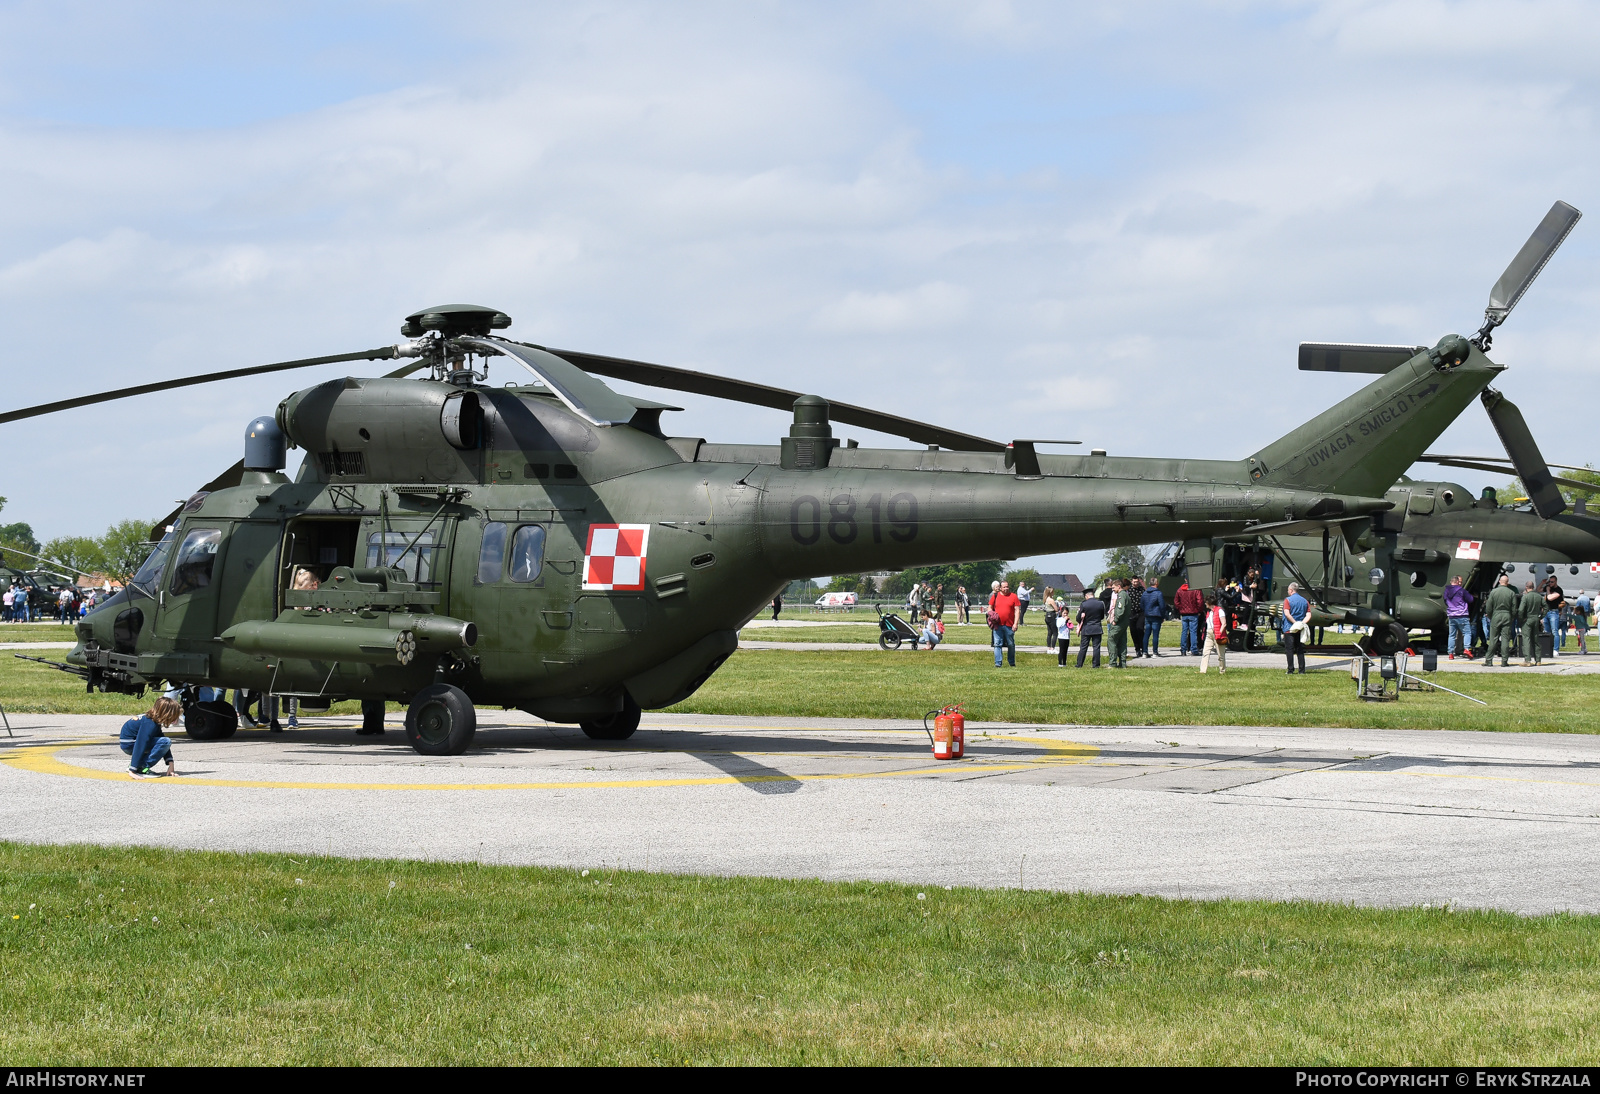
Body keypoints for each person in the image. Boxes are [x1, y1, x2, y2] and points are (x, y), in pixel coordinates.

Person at [121, 696, 181, 778]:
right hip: (130, 744)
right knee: (165, 741)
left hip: (129, 743)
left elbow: (161, 739)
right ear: (166, 714)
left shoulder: (152, 720)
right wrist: (132, 771)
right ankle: (142, 768)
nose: (175, 719)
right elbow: (140, 744)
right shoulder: (149, 724)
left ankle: (136, 764)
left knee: (164, 741)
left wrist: (170, 763)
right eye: (174, 716)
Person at [1483, 574, 1517, 666]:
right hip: (1507, 615)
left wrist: (1490, 616)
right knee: (1505, 639)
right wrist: (1512, 617)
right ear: (1507, 582)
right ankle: (1504, 661)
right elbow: (1514, 608)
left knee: (1493, 639)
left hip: (1496, 615)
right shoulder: (1511, 593)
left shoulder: (1494, 592)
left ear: (1499, 581)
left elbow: (1489, 606)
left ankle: (1489, 660)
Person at [988, 579, 1021, 667]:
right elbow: (989, 607)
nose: (1006, 588)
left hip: (1009, 625)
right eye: (1004, 587)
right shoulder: (995, 596)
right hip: (998, 625)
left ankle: (1011, 662)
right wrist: (991, 614)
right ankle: (998, 663)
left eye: (1007, 587)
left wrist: (1016, 623)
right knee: (997, 644)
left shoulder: (1013, 596)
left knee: (1010, 644)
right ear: (1000, 588)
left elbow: (1017, 610)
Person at [1444, 575, 1474, 659]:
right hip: (1462, 615)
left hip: (1451, 616)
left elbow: (1445, 600)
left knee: (1452, 635)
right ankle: (1467, 648)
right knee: (1467, 633)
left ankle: (1450, 653)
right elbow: (1471, 599)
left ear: (1451, 582)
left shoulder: (1446, 591)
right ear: (1457, 582)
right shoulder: (1462, 591)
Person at [1281, 581, 1309, 674]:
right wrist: (1301, 624)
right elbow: (1308, 615)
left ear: (1291, 590)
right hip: (1300, 629)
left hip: (1289, 628)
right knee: (1299, 649)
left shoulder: (1287, 600)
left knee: (1289, 649)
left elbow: (1287, 614)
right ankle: (1302, 670)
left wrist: (1295, 623)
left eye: (1288, 590)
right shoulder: (1305, 601)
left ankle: (1290, 669)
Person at [1075, 587, 1106, 668]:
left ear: (1086, 596)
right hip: (1097, 627)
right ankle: (1096, 665)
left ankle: (1079, 664)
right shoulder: (1100, 603)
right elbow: (1102, 616)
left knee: (1083, 647)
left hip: (1086, 628)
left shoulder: (1084, 604)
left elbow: (1078, 618)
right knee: (1096, 647)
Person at [1105, 578, 1133, 668]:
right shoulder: (1125, 595)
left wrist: (1115, 620)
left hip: (1119, 623)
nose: (1112, 589)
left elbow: (1120, 610)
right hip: (1124, 622)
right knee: (1122, 641)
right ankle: (1122, 663)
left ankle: (1112, 663)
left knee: (1111, 640)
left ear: (1119, 586)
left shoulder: (1121, 596)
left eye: (1113, 587)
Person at [1199, 592, 1228, 674]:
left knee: (1220, 655)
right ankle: (1202, 670)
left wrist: (1219, 632)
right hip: (1209, 633)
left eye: (1206, 602)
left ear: (1209, 603)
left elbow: (1224, 623)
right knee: (1205, 652)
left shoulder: (1220, 611)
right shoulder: (1209, 612)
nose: (1205, 604)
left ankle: (1222, 670)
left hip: (1218, 633)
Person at [1174, 580, 1204, 655]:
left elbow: (1176, 602)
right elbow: (1200, 601)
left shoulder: (1180, 590)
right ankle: (1193, 649)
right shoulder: (1196, 589)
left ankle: (1183, 649)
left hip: (1184, 613)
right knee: (1193, 632)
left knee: (1184, 631)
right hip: (1193, 613)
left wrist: (1180, 608)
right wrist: (1199, 610)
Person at [1520, 580, 1545, 665]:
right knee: (1536, 639)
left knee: (1526, 639)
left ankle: (1527, 660)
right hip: (1536, 619)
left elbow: (1520, 610)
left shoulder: (1525, 597)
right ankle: (1538, 660)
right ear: (1533, 587)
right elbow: (1546, 607)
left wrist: (1522, 618)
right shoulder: (1538, 596)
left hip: (1527, 619)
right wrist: (1541, 616)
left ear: (1526, 587)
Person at [1140, 581, 1165, 657]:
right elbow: (1162, 606)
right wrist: (1163, 615)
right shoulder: (1158, 593)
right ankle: (1155, 652)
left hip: (1147, 615)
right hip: (1156, 615)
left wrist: (1146, 611)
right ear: (1156, 583)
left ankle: (1144, 652)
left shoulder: (1145, 593)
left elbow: (1142, 604)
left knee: (1146, 634)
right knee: (1155, 635)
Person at [1542, 576, 1565, 656]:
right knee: (1547, 631)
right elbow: (1538, 590)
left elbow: (1549, 598)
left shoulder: (1558, 590)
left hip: (1553, 612)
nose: (1550, 583)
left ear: (1555, 582)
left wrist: (1548, 590)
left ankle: (1555, 650)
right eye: (1549, 582)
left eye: (1552, 582)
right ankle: (1548, 648)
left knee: (1554, 631)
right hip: (1546, 612)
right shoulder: (1548, 587)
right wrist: (1543, 583)